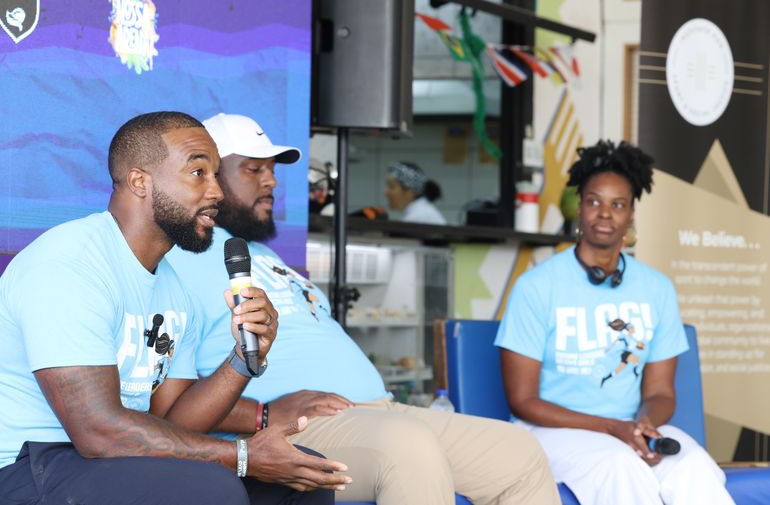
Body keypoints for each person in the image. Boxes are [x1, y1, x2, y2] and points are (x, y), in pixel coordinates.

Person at [167, 112, 560, 505]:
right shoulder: (178, 257)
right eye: (254, 169)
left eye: (271, 170)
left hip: (379, 410)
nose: (271, 181)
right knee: (408, 448)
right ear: (208, 177)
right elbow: (165, 401)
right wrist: (261, 413)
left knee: (518, 454)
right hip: (299, 427)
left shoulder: (264, 254)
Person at [0, 111, 351, 505]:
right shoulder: (69, 264)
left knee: (301, 476)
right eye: (199, 173)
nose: (217, 192)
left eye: (217, 175)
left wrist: (244, 359)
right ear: (139, 182)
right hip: (29, 463)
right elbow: (98, 431)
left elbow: (174, 421)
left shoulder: (172, 288)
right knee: (212, 488)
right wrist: (242, 457)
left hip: (111, 459)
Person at [495, 140, 735, 505]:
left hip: (627, 427)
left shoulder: (657, 288)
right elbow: (522, 400)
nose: (605, 213)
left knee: (693, 466)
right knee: (620, 467)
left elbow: (660, 392)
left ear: (631, 214)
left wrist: (643, 426)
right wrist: (610, 428)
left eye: (617, 204)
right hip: (549, 430)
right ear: (580, 208)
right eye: (594, 201)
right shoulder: (535, 287)